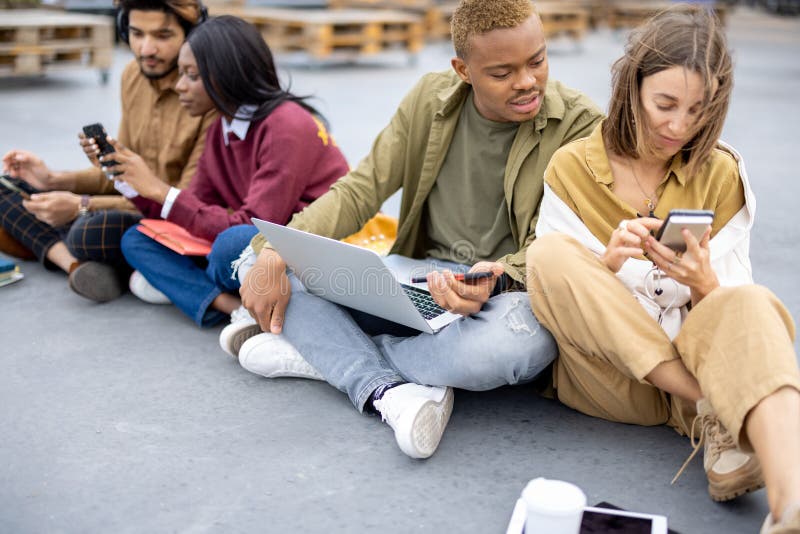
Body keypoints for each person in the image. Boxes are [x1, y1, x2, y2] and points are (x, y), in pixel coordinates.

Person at [234, 0, 603, 460]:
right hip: (417, 279)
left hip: (502, 295)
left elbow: (567, 243)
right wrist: (275, 251)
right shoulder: (430, 98)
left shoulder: (579, 124)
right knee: (262, 261)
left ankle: (330, 359)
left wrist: (497, 276)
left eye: (537, 60)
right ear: (463, 70)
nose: (527, 81)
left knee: (526, 344)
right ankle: (389, 378)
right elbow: (360, 191)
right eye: (502, 72)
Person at [524, 7, 800, 532]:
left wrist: (702, 284)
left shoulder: (721, 172)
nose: (679, 125)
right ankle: (722, 406)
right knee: (551, 256)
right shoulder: (573, 167)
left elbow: (731, 316)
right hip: (612, 378)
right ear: (633, 88)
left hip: (690, 358)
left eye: (699, 110)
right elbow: (562, 294)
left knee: (751, 300)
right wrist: (608, 263)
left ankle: (789, 510)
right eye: (665, 104)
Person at [116, 16, 349, 327]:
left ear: (227, 76)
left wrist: (160, 190)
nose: (178, 86)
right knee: (136, 239)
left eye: (191, 76)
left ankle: (190, 288)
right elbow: (192, 207)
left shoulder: (287, 125)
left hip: (301, 248)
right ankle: (232, 307)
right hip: (254, 247)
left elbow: (261, 226)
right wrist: (130, 182)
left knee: (231, 244)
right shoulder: (220, 129)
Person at [0, 0, 215, 302]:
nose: (146, 49)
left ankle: (61, 248)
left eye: (162, 36)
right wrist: (52, 180)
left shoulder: (206, 93)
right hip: (132, 206)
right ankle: (75, 265)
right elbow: (120, 176)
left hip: (174, 220)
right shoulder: (133, 74)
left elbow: (186, 205)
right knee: (7, 188)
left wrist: (82, 206)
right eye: (137, 34)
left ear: (192, 37)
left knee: (88, 232)